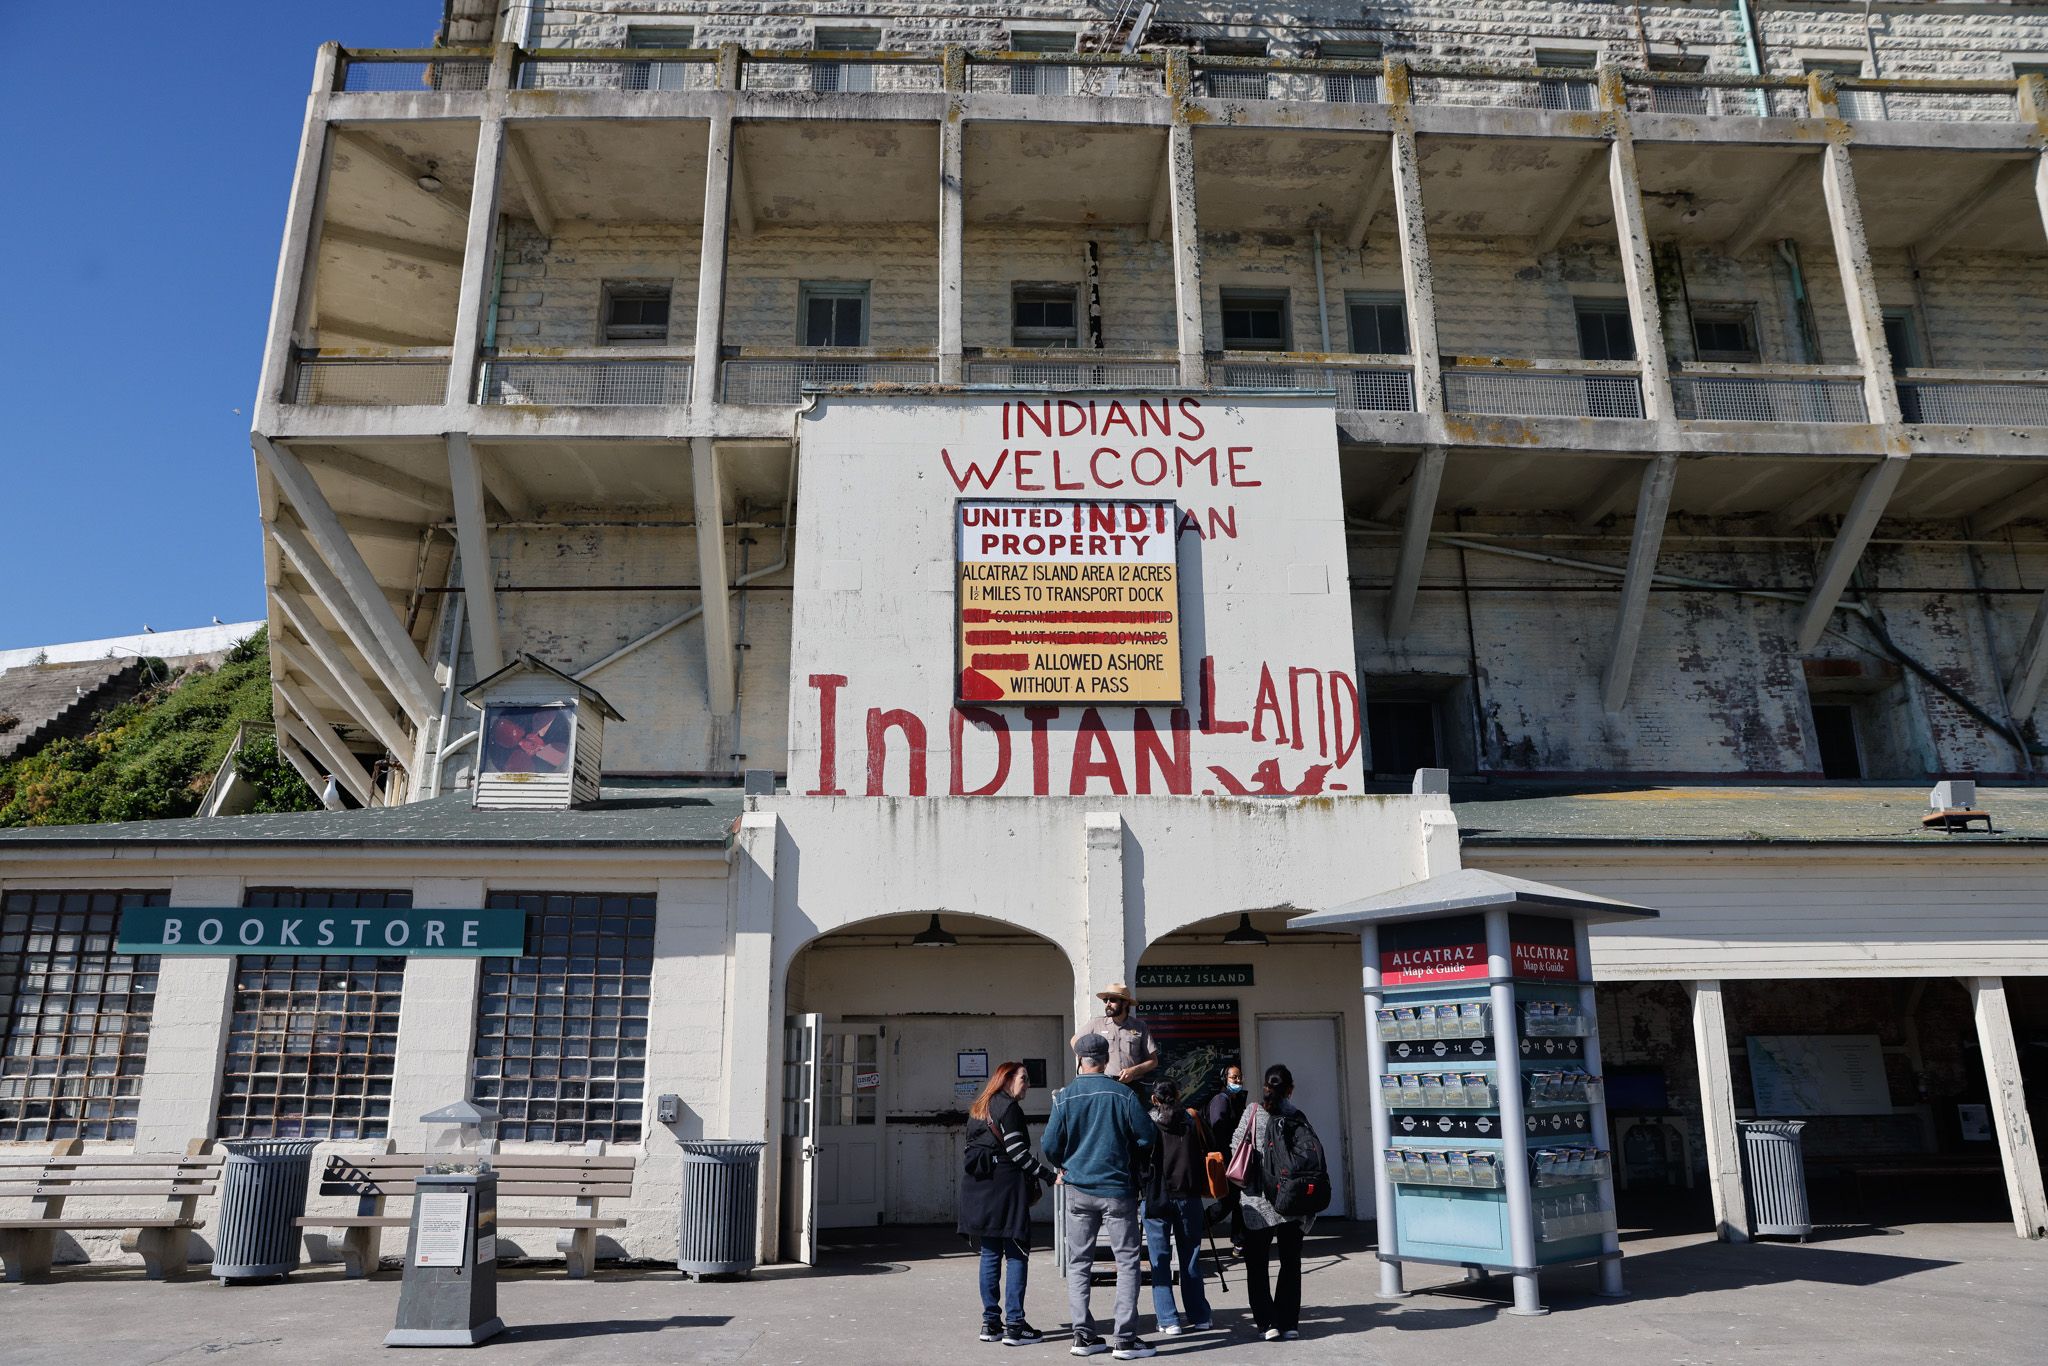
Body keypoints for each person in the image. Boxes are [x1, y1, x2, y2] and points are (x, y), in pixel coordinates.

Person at [1042, 1033, 1157, 1360]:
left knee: (1079, 1262)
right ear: (1106, 1060)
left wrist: (1064, 1166)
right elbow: (1147, 1137)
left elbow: (1050, 1144)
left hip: (1078, 1189)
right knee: (1127, 1262)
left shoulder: (1065, 1097)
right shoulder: (1123, 1095)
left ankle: (1083, 1335)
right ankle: (1125, 1339)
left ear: (1080, 1060)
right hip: (1118, 1189)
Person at [960, 1061, 1056, 1346]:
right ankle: (1015, 1325)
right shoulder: (1009, 1108)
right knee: (1016, 1253)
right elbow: (1017, 1153)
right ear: (1006, 1079)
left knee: (990, 1254)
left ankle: (991, 1323)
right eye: (1023, 1079)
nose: (1027, 1084)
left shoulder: (980, 1107)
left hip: (979, 1190)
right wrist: (1049, 1176)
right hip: (1006, 1191)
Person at [1229, 1064, 1314, 1342]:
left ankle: (1267, 1323)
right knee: (1291, 1261)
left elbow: (1235, 1146)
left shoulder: (1253, 1112)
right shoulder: (1297, 1116)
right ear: (1290, 1089)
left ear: (1265, 1087)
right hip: (1291, 1201)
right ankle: (1289, 1323)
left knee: (1257, 1263)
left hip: (1257, 1200)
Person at [1141, 1079, 1214, 1336]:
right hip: (1189, 1194)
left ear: (1154, 1099)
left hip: (1157, 1195)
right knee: (1191, 1256)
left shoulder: (1148, 1122)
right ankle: (1200, 1315)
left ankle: (1168, 1319)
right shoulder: (1191, 1119)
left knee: (1159, 1259)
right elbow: (1210, 1145)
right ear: (1179, 1095)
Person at [1073, 982, 1158, 1092]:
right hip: (1104, 1085)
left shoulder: (1140, 1026)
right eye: (1105, 1000)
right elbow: (1074, 1041)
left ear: (1125, 1003)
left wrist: (1133, 1071)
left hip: (1132, 1086)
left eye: (1112, 1000)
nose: (1107, 1003)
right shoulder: (1096, 1023)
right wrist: (1088, 1062)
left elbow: (1153, 1061)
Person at [1205, 1062, 1250, 1255]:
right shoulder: (1221, 1100)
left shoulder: (1235, 1100)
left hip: (1235, 1160)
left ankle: (1239, 1242)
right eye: (1234, 1077)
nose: (1238, 1080)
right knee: (1230, 1201)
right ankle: (1197, 1224)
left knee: (1239, 1200)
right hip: (1228, 1160)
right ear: (1225, 1079)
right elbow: (1218, 1128)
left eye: (1239, 1077)